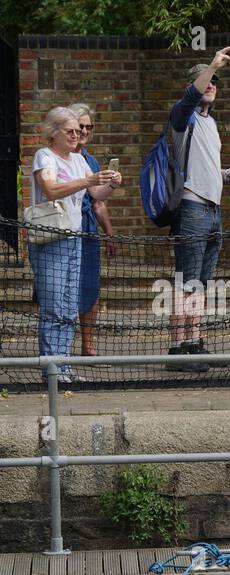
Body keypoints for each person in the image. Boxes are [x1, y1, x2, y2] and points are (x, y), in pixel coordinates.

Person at [166, 50, 230, 372]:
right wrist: (215, 62)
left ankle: (195, 343)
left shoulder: (210, 123)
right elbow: (191, 97)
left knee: (202, 283)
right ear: (192, 85)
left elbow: (206, 167)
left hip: (213, 212)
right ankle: (177, 349)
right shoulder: (182, 116)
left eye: (216, 80)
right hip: (192, 209)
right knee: (186, 281)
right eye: (206, 80)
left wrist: (229, 174)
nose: (212, 84)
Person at [28, 106, 120, 381]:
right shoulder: (45, 156)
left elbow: (96, 193)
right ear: (53, 132)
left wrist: (111, 183)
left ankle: (64, 366)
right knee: (54, 305)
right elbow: (51, 189)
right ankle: (51, 369)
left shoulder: (79, 160)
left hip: (75, 239)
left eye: (78, 131)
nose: (75, 136)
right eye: (69, 131)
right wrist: (88, 179)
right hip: (51, 239)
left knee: (69, 306)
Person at [69, 104, 116, 359]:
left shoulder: (91, 161)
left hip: (88, 231)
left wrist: (108, 233)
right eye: (81, 126)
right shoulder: (58, 158)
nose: (85, 131)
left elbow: (98, 201)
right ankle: (60, 347)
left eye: (89, 127)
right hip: (65, 230)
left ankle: (88, 346)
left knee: (90, 287)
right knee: (62, 286)